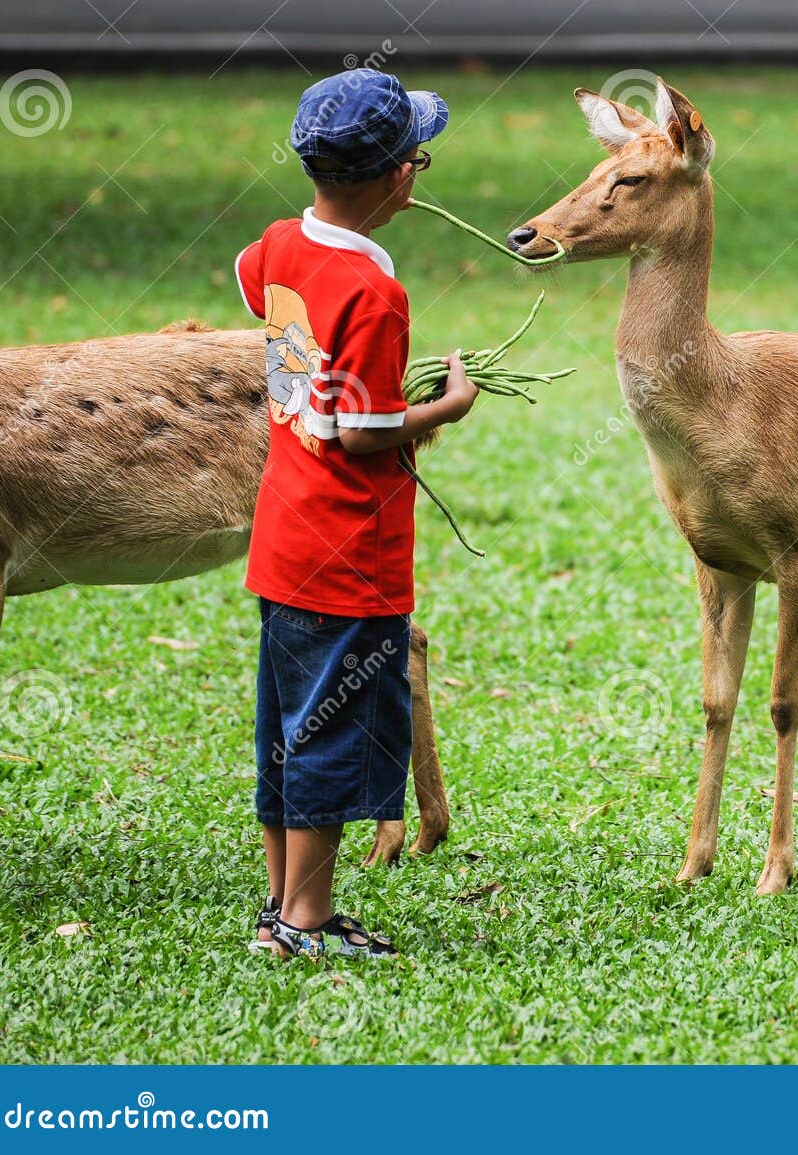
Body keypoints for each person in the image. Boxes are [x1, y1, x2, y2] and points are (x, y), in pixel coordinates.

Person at [233, 69, 477, 959]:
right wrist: (446, 407)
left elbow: (252, 284)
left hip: (282, 540)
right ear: (399, 178)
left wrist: (299, 357)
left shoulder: (276, 246)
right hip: (350, 557)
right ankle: (305, 923)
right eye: (417, 152)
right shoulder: (376, 295)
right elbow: (363, 431)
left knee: (288, 733)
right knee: (333, 738)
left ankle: (279, 906)